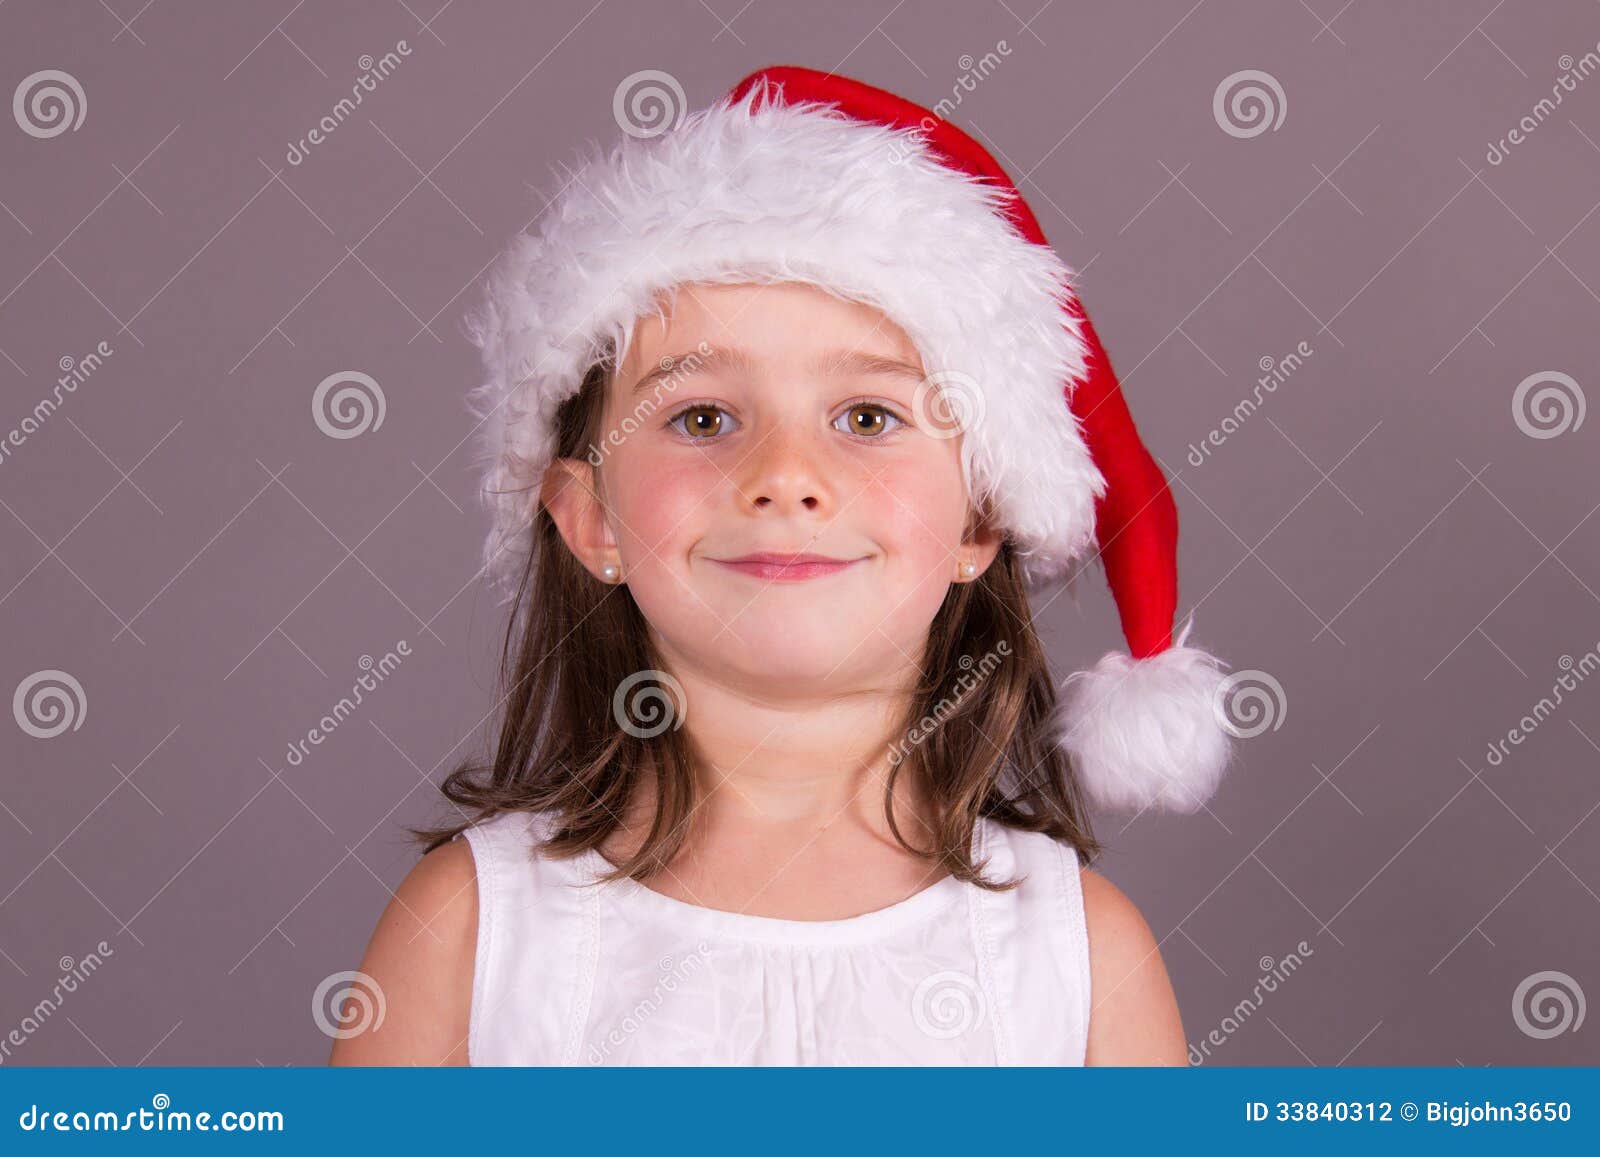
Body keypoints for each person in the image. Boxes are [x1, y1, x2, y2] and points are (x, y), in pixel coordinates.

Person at [330, 65, 1236, 1066]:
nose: (785, 477)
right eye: (702, 417)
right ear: (590, 518)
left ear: (982, 514)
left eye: (868, 417)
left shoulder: (1081, 959)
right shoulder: (468, 934)